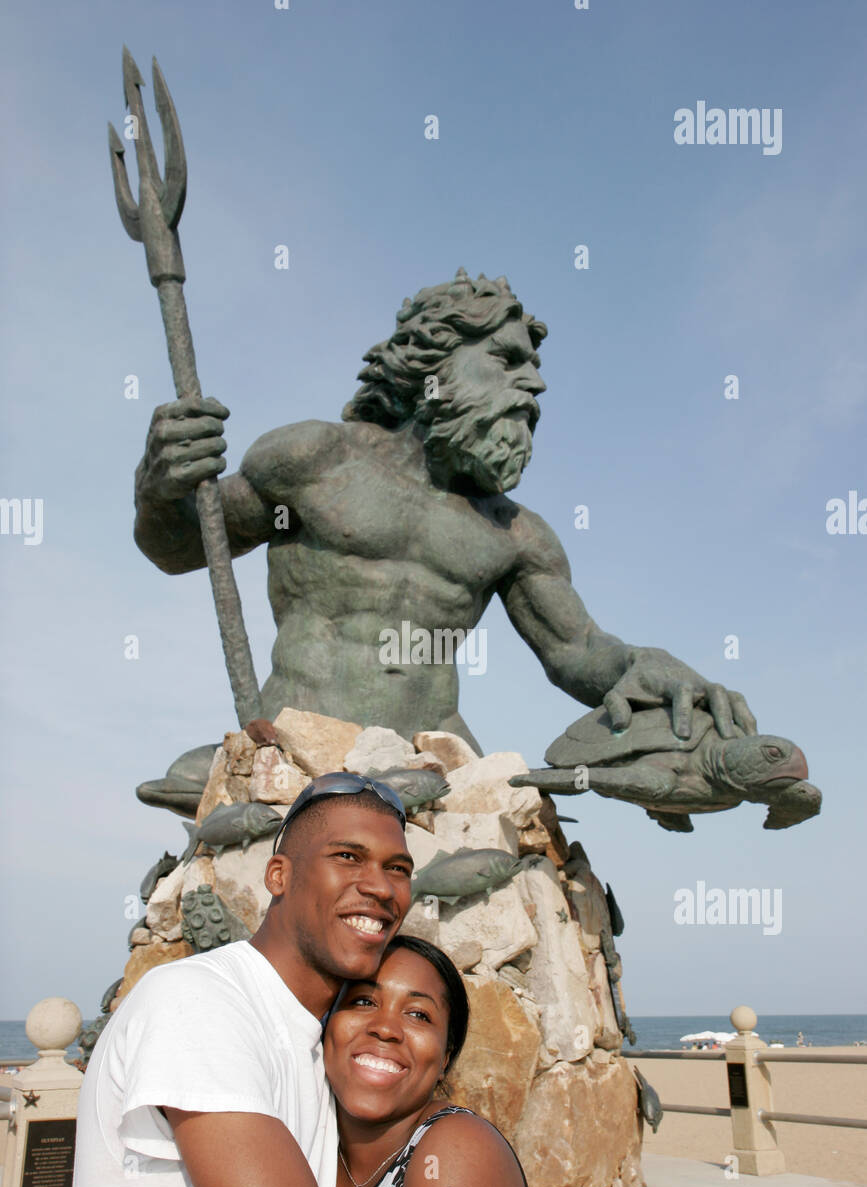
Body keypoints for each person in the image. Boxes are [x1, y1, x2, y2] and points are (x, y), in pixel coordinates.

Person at [133, 269, 755, 809]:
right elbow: (185, 547)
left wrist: (645, 666)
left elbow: (578, 651)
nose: (535, 386)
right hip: (297, 747)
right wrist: (159, 485)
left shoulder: (516, 533)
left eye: (535, 370)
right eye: (508, 361)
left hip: (435, 760)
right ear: (436, 361)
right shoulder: (315, 458)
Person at [67, 773, 574, 1187]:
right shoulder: (199, 1000)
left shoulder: (322, 1054)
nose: (379, 886)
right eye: (348, 857)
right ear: (279, 875)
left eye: (397, 868)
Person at [325, 935, 536, 1187]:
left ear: (445, 1058)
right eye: (363, 1001)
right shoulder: (301, 1131)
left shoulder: (458, 1149)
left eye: (418, 1015)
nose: (385, 1028)